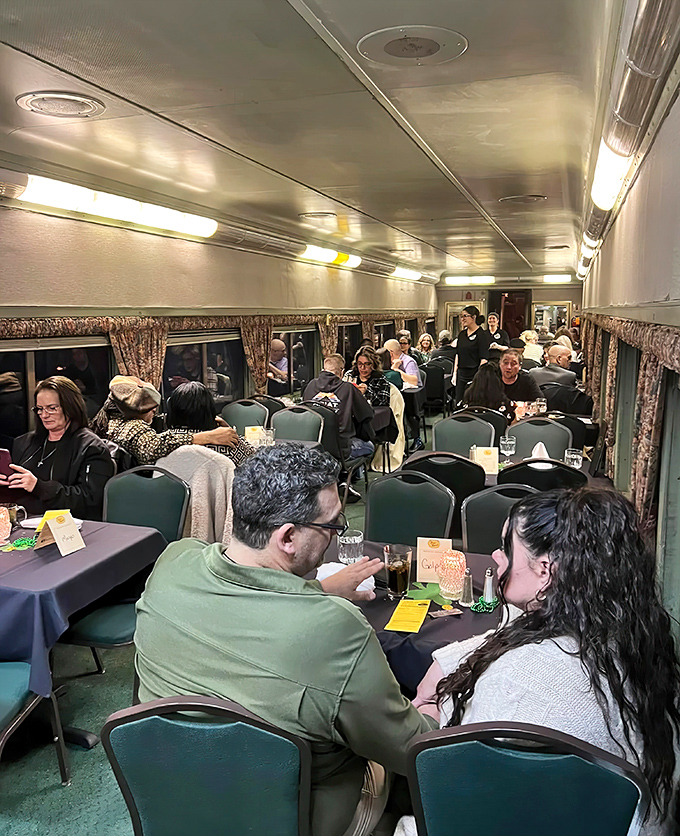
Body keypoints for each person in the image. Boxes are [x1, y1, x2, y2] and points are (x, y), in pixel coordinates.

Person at [135, 444, 436, 836]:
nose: (335, 534)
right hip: (296, 820)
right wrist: (430, 703)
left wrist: (319, 589)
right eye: (332, 526)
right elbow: (413, 750)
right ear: (288, 537)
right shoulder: (337, 630)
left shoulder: (174, 562)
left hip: (177, 802)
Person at [407, 488, 680, 836]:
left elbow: (464, 774)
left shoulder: (518, 683)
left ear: (546, 570)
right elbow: (511, 631)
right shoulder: (633, 638)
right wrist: (448, 663)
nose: (496, 556)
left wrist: (436, 708)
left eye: (507, 548)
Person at [1, 376, 114, 519]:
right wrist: (4, 485)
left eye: (52, 408)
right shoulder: (23, 443)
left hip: (68, 525)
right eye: (40, 409)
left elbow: (89, 501)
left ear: (70, 407)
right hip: (22, 522)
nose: (44, 415)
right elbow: (14, 497)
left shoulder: (91, 448)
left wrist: (39, 487)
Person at [92, 375, 240, 465]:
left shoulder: (110, 419)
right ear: (134, 411)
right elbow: (152, 448)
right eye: (149, 409)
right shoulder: (129, 427)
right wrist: (207, 436)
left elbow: (159, 421)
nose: (155, 411)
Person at [303, 354, 375, 461]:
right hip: (341, 449)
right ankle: (354, 470)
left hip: (313, 446)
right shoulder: (348, 389)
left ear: (323, 369)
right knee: (370, 446)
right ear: (342, 372)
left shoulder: (310, 385)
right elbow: (367, 414)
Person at [165, 381, 255, 466]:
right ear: (210, 411)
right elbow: (256, 458)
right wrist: (231, 433)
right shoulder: (226, 443)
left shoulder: (165, 443)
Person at [385, 339, 423, 452]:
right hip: (394, 394)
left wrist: (396, 370)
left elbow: (414, 381)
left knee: (407, 403)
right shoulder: (386, 362)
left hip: (412, 395)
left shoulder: (408, 361)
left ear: (391, 353)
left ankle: (416, 439)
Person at [454, 306, 490, 404]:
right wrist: (454, 373)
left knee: (473, 401)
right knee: (459, 402)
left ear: (473, 317)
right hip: (461, 373)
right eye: (461, 316)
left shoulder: (482, 335)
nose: (462, 319)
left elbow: (484, 359)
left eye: (465, 316)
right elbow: (458, 354)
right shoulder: (462, 334)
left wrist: (479, 377)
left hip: (474, 373)